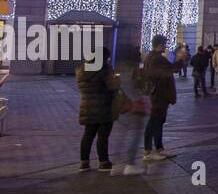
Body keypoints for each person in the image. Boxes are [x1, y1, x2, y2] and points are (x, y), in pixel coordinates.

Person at [76, 51, 118, 171]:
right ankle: (103, 162)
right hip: (104, 107)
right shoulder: (104, 70)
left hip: (87, 107)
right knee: (103, 136)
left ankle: (84, 163)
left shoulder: (82, 70)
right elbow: (113, 86)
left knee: (88, 135)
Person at [143, 36, 182, 161]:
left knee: (157, 122)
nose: (165, 47)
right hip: (160, 95)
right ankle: (148, 151)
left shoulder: (150, 57)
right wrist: (180, 59)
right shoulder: (157, 58)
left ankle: (159, 148)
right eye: (164, 44)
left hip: (157, 94)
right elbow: (172, 69)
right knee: (154, 122)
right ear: (160, 45)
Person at [114, 46, 149, 175]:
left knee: (122, 134)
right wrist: (137, 100)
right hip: (134, 105)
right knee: (135, 134)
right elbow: (138, 87)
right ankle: (130, 164)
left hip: (122, 105)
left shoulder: (118, 68)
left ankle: (117, 164)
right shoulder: (133, 69)